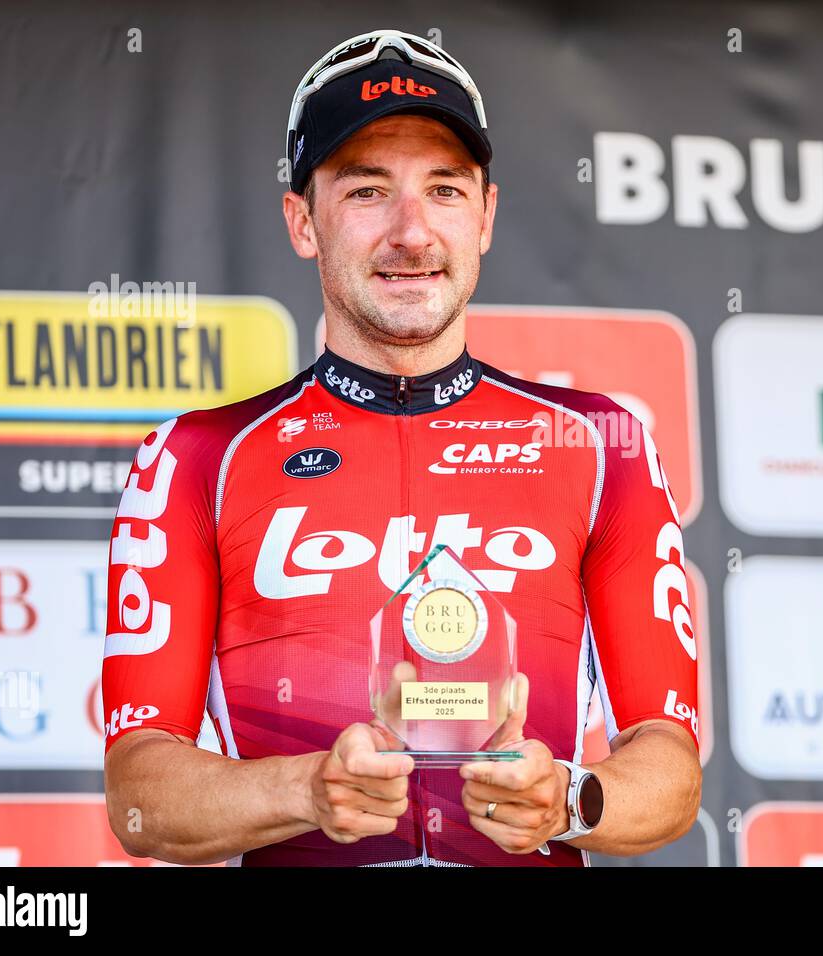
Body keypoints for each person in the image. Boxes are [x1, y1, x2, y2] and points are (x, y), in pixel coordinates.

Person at [101, 29, 700, 867]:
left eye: (446, 190)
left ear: (486, 216)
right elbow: (137, 798)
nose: (412, 233)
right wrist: (306, 789)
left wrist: (567, 798)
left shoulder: (601, 443)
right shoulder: (196, 455)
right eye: (368, 191)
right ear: (302, 222)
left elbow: (669, 768)